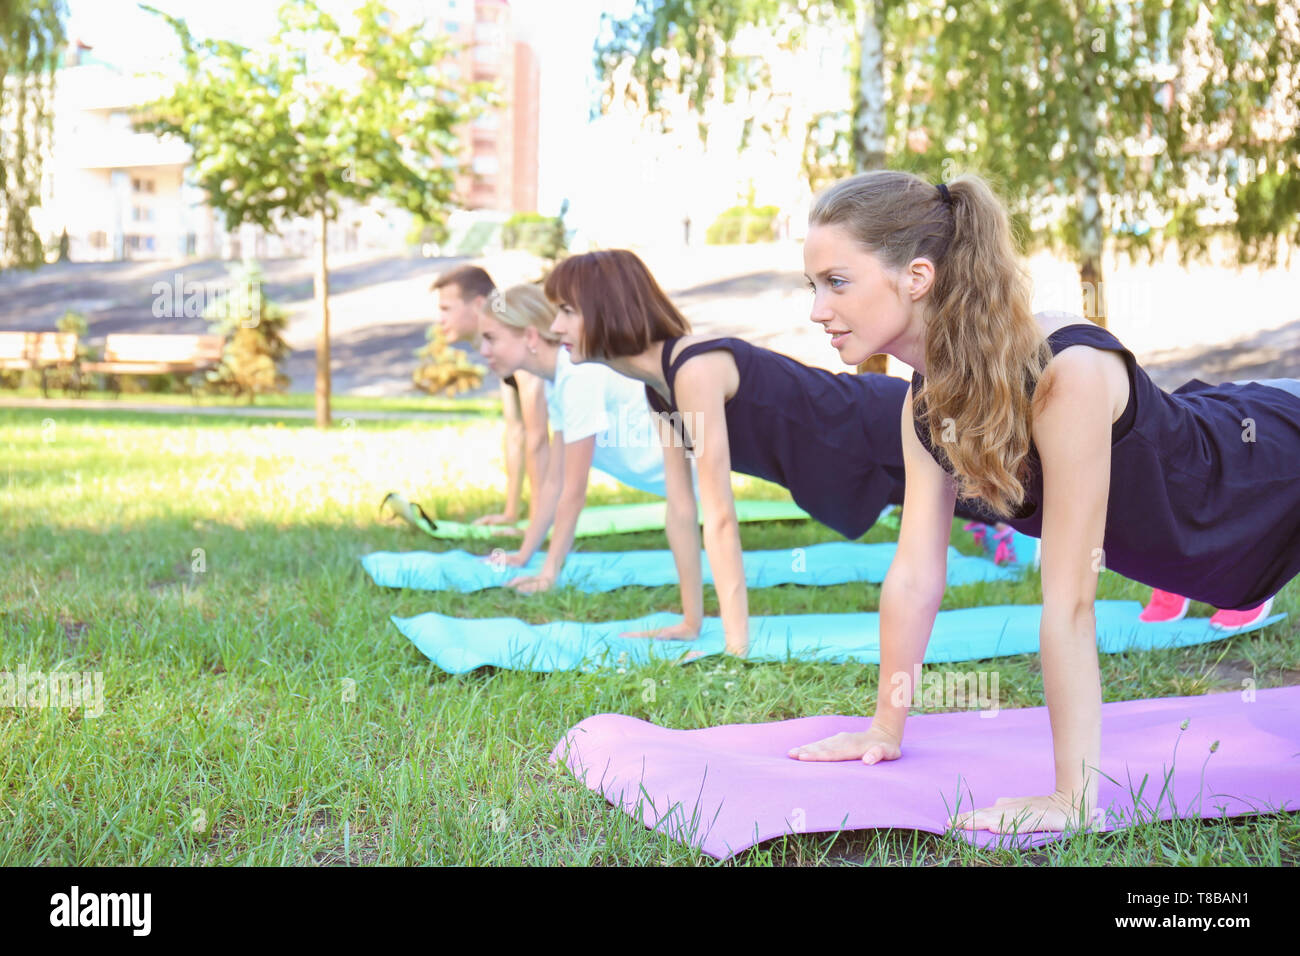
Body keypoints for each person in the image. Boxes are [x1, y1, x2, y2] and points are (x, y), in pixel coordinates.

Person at [786, 169, 1300, 836]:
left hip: (1271, 478)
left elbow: (1071, 601)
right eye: (813, 286)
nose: (817, 309)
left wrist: (1072, 797)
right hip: (1223, 552)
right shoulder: (925, 405)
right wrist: (884, 727)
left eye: (837, 281)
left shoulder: (1064, 371)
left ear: (915, 277)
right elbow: (915, 577)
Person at [544, 249, 989, 654]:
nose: (554, 328)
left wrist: (736, 646)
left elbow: (719, 514)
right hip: (843, 467)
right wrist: (690, 621)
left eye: (566, 311)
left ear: (606, 306)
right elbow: (681, 509)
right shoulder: (659, 388)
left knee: (1013, 491)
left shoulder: (693, 369)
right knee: (990, 501)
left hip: (875, 423)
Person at [477, 284, 685, 593]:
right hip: (677, 469)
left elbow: (573, 493)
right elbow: (553, 482)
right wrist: (524, 555)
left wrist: (548, 575)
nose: (483, 351)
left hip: (697, 458)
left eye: (491, 338)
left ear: (531, 336)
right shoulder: (558, 378)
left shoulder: (577, 376)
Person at [432, 265, 549, 527]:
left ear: (478, 304)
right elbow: (516, 432)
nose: (440, 320)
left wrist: (534, 527)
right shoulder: (499, 350)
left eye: (446, 309)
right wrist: (510, 515)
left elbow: (538, 437)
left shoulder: (516, 341)